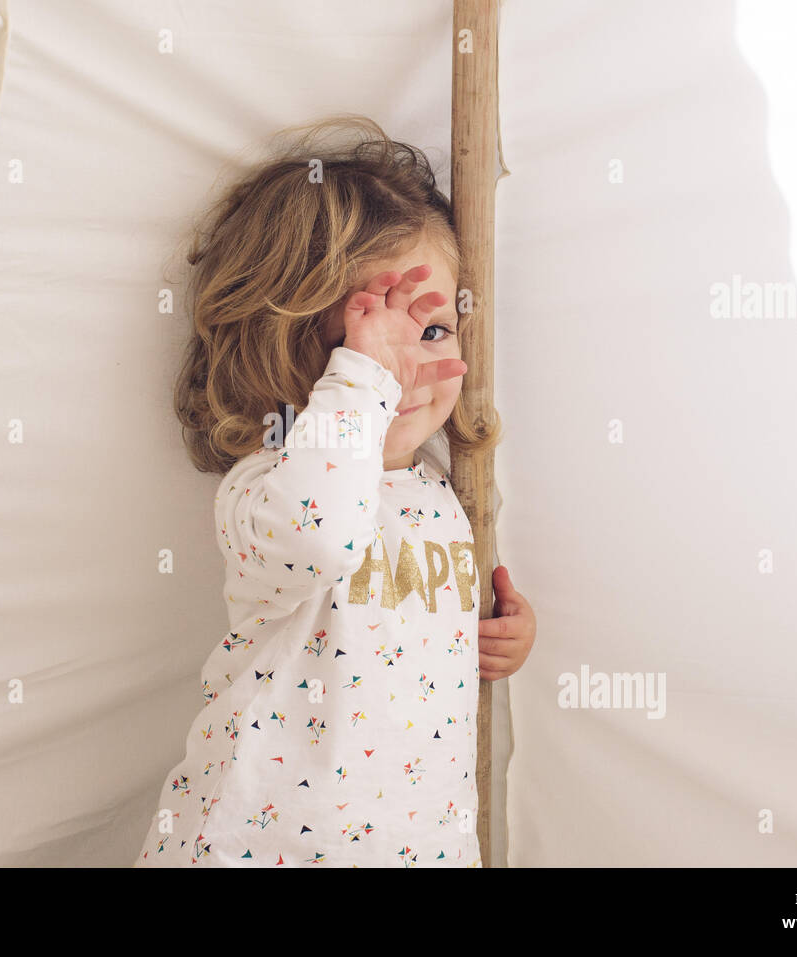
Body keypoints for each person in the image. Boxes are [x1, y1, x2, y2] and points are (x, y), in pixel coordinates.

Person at [135, 115, 535, 867]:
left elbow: (421, 626)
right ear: (279, 348)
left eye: (431, 332)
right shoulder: (268, 485)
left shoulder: (441, 492)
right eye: (363, 343)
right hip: (259, 842)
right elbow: (323, 535)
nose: (402, 371)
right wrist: (360, 385)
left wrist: (498, 639)